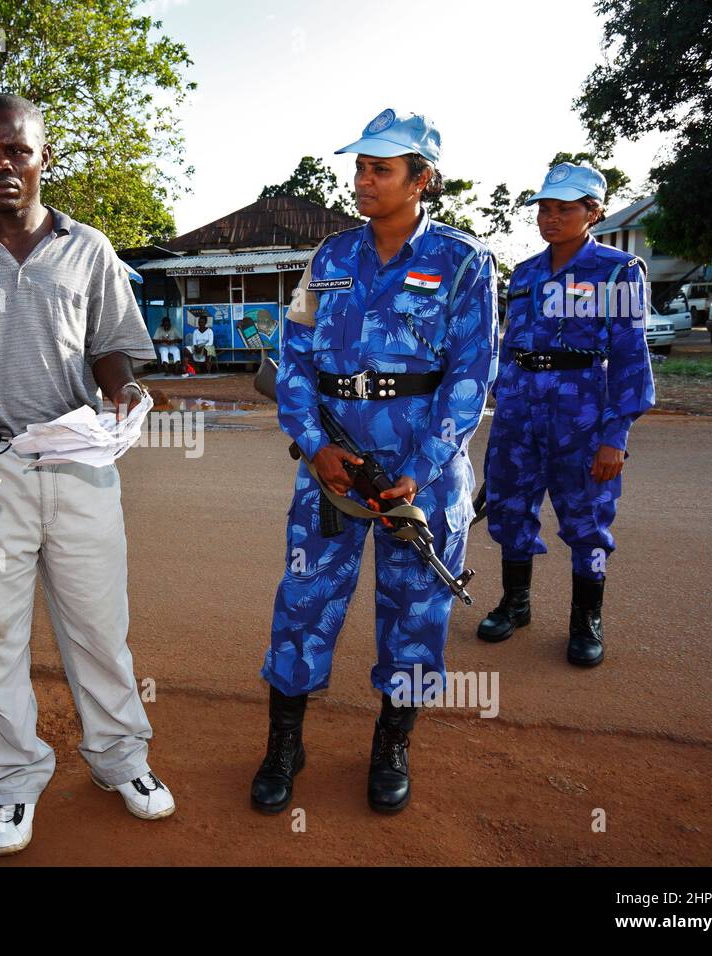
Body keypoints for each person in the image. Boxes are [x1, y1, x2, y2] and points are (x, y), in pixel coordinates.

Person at [0, 93, 175, 856]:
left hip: (77, 458)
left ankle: (121, 760)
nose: (0, 166)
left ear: (44, 157)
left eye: (15, 151)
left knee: (98, 628)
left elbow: (112, 346)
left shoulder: (90, 249)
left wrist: (121, 390)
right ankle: (13, 783)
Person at [251, 109, 497, 815]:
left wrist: (418, 470)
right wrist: (314, 441)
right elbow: (293, 355)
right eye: (358, 167)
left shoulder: (462, 262)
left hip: (419, 476)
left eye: (379, 169)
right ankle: (285, 744)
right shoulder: (329, 258)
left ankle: (392, 743)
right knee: (304, 601)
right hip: (331, 465)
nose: (362, 179)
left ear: (421, 180)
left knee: (416, 611)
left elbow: (471, 378)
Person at [477, 162, 655, 665]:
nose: (550, 218)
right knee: (510, 508)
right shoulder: (528, 271)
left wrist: (615, 434)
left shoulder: (618, 271)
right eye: (545, 209)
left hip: (582, 411)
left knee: (587, 519)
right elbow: (508, 344)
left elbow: (629, 354)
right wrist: (500, 398)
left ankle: (586, 620)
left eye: (565, 209)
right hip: (518, 409)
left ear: (593, 212)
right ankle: (516, 603)